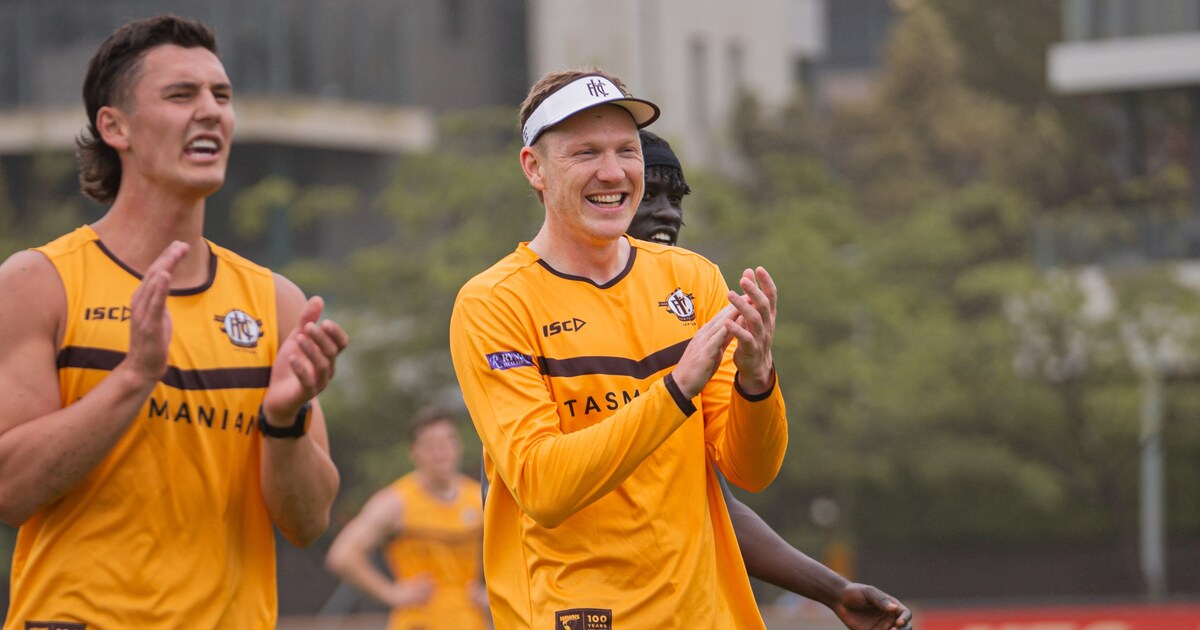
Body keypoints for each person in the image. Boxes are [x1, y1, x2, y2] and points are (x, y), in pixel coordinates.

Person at [0, 15, 348, 629]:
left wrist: (283, 419)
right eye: (181, 95)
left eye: (222, 96)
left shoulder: (276, 302)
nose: (211, 111)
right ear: (115, 126)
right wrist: (134, 378)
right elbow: (11, 489)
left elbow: (307, 521)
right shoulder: (38, 282)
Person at [449, 67, 788, 629]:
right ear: (534, 168)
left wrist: (758, 379)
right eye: (585, 153)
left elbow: (752, 470)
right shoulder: (494, 303)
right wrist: (676, 389)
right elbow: (544, 485)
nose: (613, 173)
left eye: (626, 150)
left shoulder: (693, 278)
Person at [633, 130, 914, 630]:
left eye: (674, 199)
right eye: (647, 195)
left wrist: (835, 591)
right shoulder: (529, 314)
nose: (668, 213)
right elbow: (526, 501)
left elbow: (717, 502)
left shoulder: (693, 312)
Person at [325, 405, 489, 630]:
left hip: (470, 622)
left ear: (458, 446)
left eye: (447, 442)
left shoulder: (478, 499)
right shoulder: (395, 502)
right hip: (418, 622)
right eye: (430, 445)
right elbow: (342, 555)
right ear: (414, 452)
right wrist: (391, 593)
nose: (440, 451)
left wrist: (493, 593)